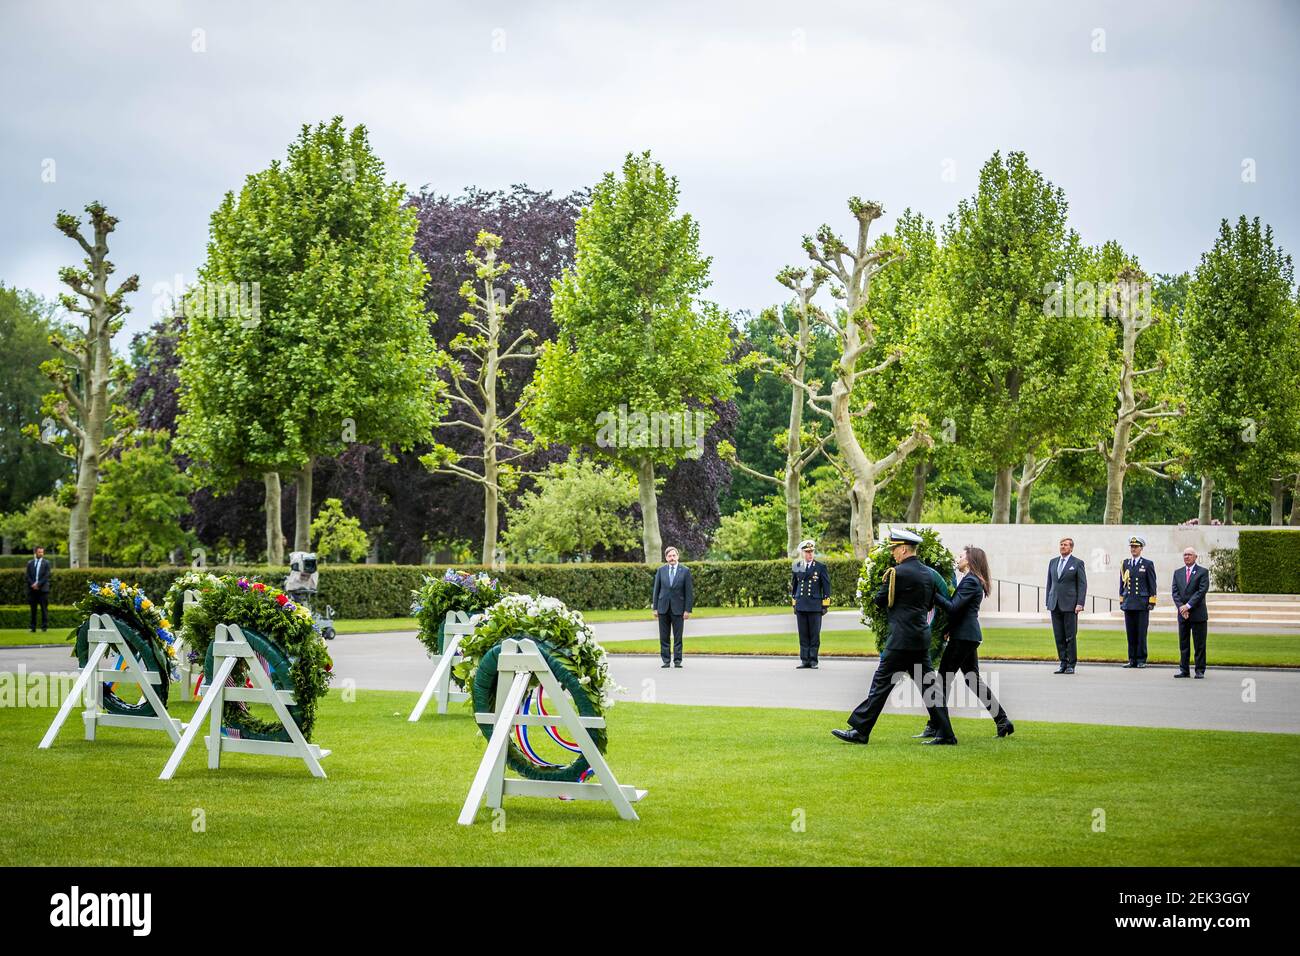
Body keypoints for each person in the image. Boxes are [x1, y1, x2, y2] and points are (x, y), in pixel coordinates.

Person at [832, 528, 958, 746]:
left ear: (903, 549)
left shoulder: (897, 573)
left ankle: (860, 730)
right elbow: (930, 604)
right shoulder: (929, 574)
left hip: (901, 640)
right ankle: (946, 733)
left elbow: (880, 600)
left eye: (894, 549)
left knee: (881, 684)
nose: (892, 553)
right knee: (929, 688)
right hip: (920, 638)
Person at [915, 545, 1014, 738]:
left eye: (961, 556)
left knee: (942, 680)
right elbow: (960, 611)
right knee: (973, 680)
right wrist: (947, 629)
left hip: (964, 637)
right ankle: (1002, 721)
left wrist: (933, 594)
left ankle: (935, 725)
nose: (958, 559)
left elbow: (953, 607)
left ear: (969, 559)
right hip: (965, 635)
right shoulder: (972, 580)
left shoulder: (971, 581)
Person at [1046, 536, 1087, 674]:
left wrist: (1080, 603)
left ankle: (1071, 664)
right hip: (1055, 604)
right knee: (1059, 636)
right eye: (1061, 544)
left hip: (1070, 605)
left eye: (1065, 545)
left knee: (1070, 635)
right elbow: (1050, 583)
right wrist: (1048, 601)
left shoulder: (1077, 563)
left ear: (1071, 548)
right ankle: (1062, 662)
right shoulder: (1053, 562)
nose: (1062, 547)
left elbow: (1082, 584)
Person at [790, 539, 832, 669]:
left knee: (814, 634)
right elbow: (794, 587)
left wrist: (825, 605)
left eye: (811, 552)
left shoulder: (820, 567)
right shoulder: (797, 566)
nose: (810, 554)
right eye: (807, 552)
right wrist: (794, 604)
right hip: (801, 604)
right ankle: (805, 660)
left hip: (814, 605)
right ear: (802, 553)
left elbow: (826, 587)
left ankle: (813, 660)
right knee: (803, 634)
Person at [651, 546, 693, 668]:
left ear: (678, 556)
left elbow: (688, 592)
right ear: (666, 558)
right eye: (669, 556)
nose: (672, 558)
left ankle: (678, 660)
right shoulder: (661, 570)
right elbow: (656, 590)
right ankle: (666, 660)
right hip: (663, 608)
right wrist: (655, 608)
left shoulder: (685, 571)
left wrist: (687, 610)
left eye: (674, 555)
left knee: (678, 637)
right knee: (664, 636)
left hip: (679, 609)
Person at [1171, 546, 1209, 679]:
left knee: (1199, 644)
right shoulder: (1178, 572)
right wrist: (1181, 607)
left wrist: (1187, 606)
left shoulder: (1203, 572)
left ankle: (1199, 670)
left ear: (1195, 557)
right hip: (1183, 615)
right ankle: (1184, 670)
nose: (1186, 557)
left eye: (1189, 554)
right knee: (1184, 643)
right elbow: (1175, 592)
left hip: (1197, 614)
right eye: (1185, 555)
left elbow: (1201, 591)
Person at [1120, 534, 1157, 668]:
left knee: (1141, 633)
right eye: (1132, 547)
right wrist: (1121, 600)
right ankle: (1132, 659)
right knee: (1130, 633)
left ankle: (1141, 659)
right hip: (1129, 602)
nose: (1133, 549)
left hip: (1141, 603)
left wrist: (1152, 600)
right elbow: (1122, 583)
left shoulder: (1147, 564)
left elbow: (1152, 583)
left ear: (1141, 548)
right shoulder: (1125, 563)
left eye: (1136, 547)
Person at [26, 545, 52, 632]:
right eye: (39, 552)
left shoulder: (46, 563)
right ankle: (32, 627)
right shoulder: (30, 563)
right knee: (33, 610)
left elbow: (47, 575)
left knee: (44, 610)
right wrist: (33, 584)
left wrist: (38, 584)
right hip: (32, 590)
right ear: (35, 552)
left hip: (43, 590)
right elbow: (28, 576)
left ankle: (44, 627)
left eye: (42, 552)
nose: (41, 553)